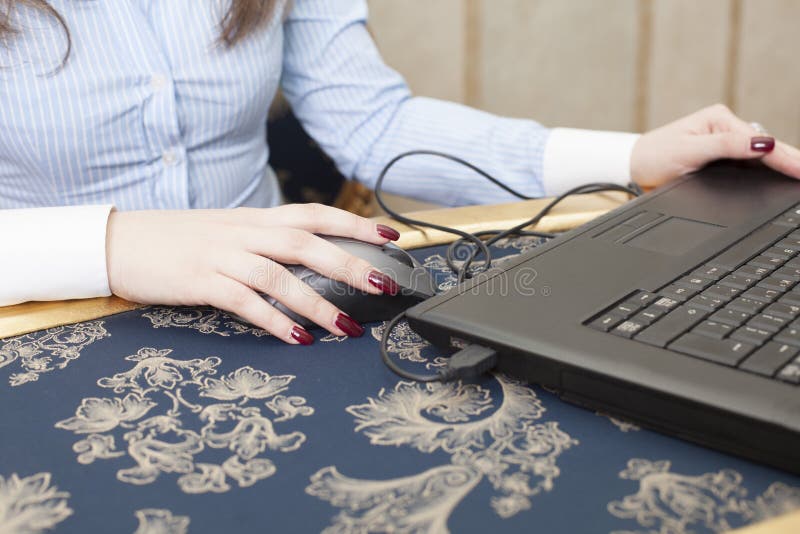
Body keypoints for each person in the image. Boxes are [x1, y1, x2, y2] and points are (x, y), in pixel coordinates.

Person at [1, 0, 799, 345]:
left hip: (286, 309)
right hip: (42, 322)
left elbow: (371, 121)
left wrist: (630, 159)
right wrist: (112, 244)